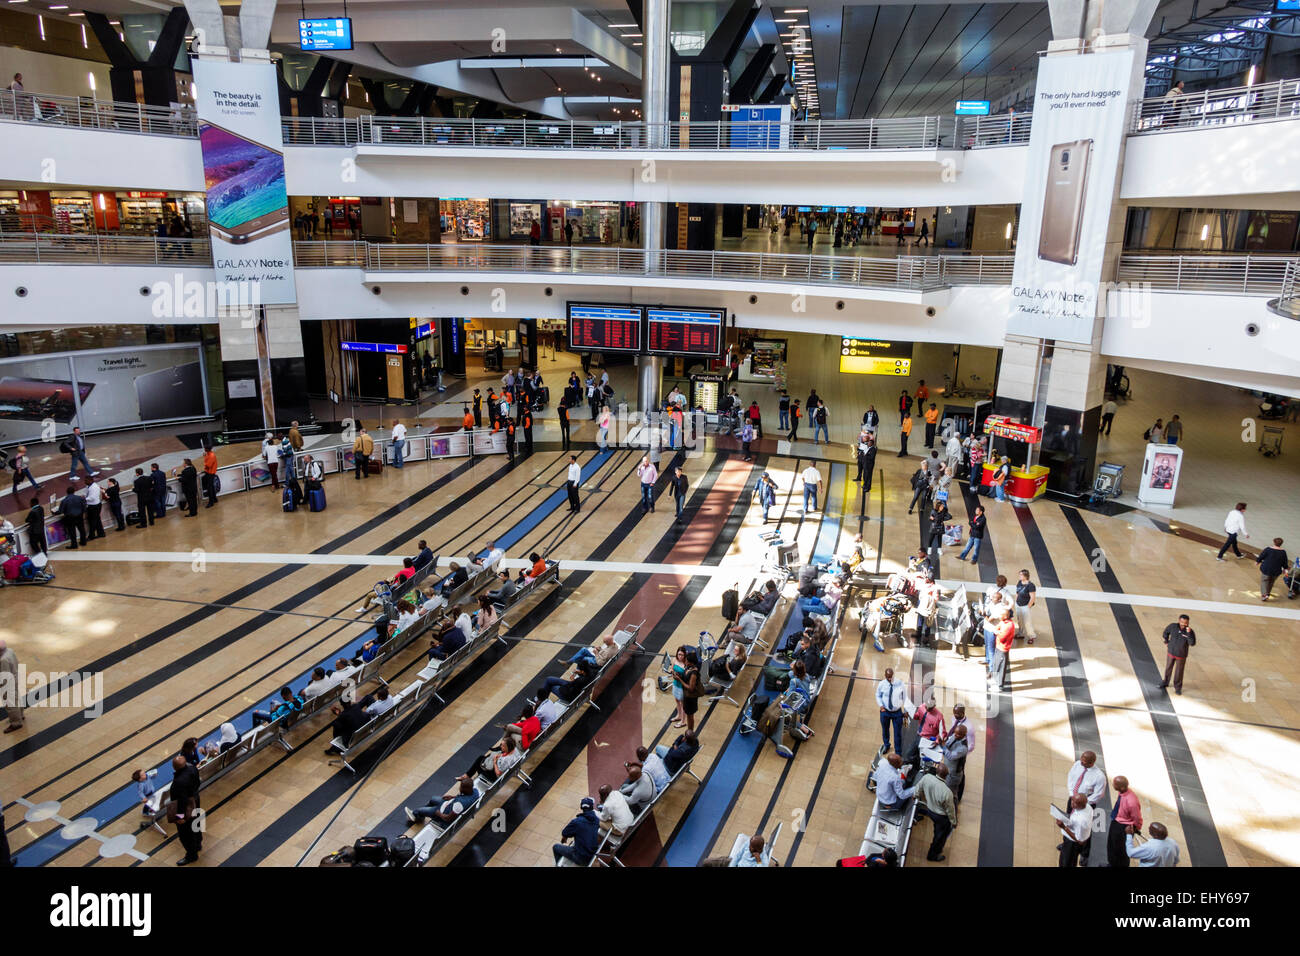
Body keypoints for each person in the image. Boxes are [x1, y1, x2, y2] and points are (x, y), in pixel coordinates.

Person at [915, 762, 958, 861]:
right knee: (940, 837)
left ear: (937, 772)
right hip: (941, 817)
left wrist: (916, 795)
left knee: (937, 830)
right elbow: (950, 811)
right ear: (946, 776)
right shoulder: (947, 792)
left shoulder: (927, 777)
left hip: (930, 810)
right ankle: (932, 855)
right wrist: (953, 822)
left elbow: (918, 787)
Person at [406, 776, 480, 826]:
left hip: (442, 812)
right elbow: (465, 796)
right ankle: (423, 814)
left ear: (463, 789)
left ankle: (416, 815)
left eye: (461, 786)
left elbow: (448, 819)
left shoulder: (459, 805)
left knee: (418, 810)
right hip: (449, 804)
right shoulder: (475, 792)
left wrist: (438, 813)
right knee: (433, 799)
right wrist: (452, 797)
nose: (459, 787)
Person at [170, 754, 203, 865]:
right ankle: (198, 844)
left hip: (186, 807)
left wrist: (180, 816)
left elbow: (182, 801)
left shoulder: (179, 781)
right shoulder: (192, 768)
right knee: (196, 824)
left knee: (185, 835)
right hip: (195, 800)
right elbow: (198, 782)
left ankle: (192, 855)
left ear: (174, 767)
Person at [1107, 776, 1143, 867]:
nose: (1113, 785)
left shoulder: (1132, 802)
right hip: (1117, 820)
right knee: (1112, 845)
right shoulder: (1122, 792)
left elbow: (1137, 818)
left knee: (1121, 850)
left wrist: (1134, 829)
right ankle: (1112, 864)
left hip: (1124, 827)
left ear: (1122, 787)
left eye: (1115, 784)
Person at [553, 797, 600, 865]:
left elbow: (564, 833)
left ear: (581, 807)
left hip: (581, 858)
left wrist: (564, 838)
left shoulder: (577, 822)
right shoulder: (596, 820)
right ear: (592, 807)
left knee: (556, 847)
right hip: (593, 855)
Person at [1158, 614, 1196, 695]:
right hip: (1171, 652)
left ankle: (1178, 688)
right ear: (1179, 620)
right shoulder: (1173, 626)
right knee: (1168, 668)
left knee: (1179, 672)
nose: (1183, 624)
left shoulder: (1190, 631)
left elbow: (1192, 643)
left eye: (1186, 623)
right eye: (1182, 622)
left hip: (1181, 655)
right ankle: (1165, 682)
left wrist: (1189, 634)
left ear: (1188, 622)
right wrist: (1166, 641)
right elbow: (1165, 632)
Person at [876, 668, 909, 755]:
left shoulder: (900, 683)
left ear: (893, 675)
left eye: (891, 677)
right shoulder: (881, 684)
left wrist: (905, 711)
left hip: (897, 712)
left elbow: (905, 697)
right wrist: (881, 705)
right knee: (885, 730)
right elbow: (878, 695)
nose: (890, 679)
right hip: (885, 712)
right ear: (885, 676)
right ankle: (886, 745)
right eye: (888, 677)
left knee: (897, 733)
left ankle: (898, 752)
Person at [1057, 793, 1092, 867]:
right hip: (1070, 840)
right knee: (1063, 859)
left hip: (1072, 844)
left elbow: (1080, 841)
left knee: (1067, 863)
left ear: (1081, 805)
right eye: (1072, 800)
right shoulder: (1088, 807)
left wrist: (1064, 827)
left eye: (1074, 802)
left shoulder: (1081, 820)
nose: (1071, 803)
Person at [988, 607, 1015, 690]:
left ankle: (999, 685)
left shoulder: (1009, 625)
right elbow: (997, 628)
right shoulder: (1003, 622)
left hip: (1003, 649)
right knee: (996, 664)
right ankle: (995, 680)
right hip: (998, 646)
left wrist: (997, 632)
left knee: (1001, 667)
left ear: (1006, 616)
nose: (999, 616)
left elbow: (1002, 637)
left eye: (1001, 615)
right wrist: (997, 631)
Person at [1, 640, 23, 732]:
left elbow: (4, 676)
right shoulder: (10, 651)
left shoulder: (3, 660)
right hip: (15, 677)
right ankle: (20, 715)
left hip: (8, 684)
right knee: (16, 698)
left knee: (10, 703)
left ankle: (15, 723)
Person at [1014, 569, 1037, 644]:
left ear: (1026, 576)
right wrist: (1015, 601)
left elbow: (1032, 598)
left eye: (1021, 575)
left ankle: (1031, 636)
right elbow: (1017, 593)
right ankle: (1020, 633)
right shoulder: (1019, 582)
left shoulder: (1031, 585)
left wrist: (1028, 607)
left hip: (1025, 606)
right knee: (1020, 621)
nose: (1019, 576)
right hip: (1018, 604)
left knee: (1027, 622)